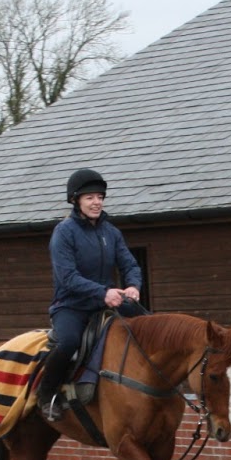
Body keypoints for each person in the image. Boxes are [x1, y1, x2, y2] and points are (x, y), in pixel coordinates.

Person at [36, 168, 147, 420]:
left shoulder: (111, 232)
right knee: (69, 342)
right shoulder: (63, 233)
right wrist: (102, 292)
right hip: (71, 305)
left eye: (100, 197)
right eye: (90, 198)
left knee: (148, 324)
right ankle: (47, 395)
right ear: (76, 200)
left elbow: (129, 265)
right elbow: (68, 277)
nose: (96, 202)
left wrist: (133, 286)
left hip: (107, 300)